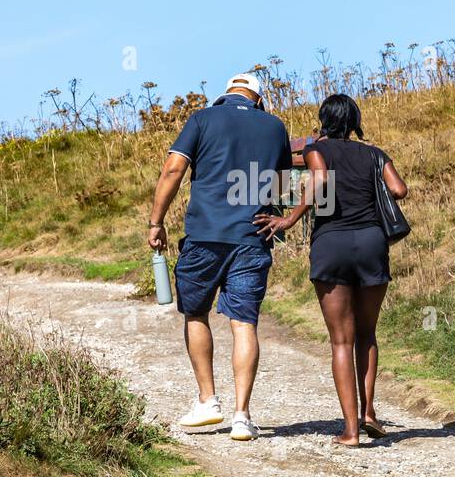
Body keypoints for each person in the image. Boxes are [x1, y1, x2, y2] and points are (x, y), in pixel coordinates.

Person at [254, 94, 408, 446]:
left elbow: (320, 178)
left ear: (323, 120)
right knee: (367, 334)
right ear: (354, 121)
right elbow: (399, 189)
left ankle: (351, 432)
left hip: (332, 244)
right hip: (372, 242)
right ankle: (369, 411)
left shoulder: (316, 150)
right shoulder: (373, 153)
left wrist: (290, 217)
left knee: (342, 339)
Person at [147, 71, 292, 441]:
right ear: (258, 99)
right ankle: (242, 416)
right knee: (244, 322)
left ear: (226, 94)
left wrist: (156, 222)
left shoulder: (201, 119)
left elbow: (173, 169)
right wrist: (277, 215)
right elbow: (283, 185)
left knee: (196, 312)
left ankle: (208, 401)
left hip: (204, 236)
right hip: (251, 237)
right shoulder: (275, 127)